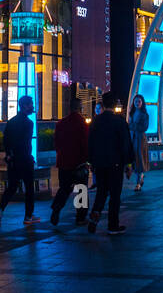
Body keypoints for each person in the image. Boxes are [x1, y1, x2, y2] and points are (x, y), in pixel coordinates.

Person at [87, 91, 134, 234]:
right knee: (115, 195)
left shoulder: (96, 121)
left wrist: (91, 162)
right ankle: (113, 225)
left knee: (101, 192)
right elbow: (125, 144)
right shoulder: (119, 121)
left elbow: (90, 143)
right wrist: (129, 164)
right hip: (115, 164)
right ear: (115, 104)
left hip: (99, 163)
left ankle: (95, 215)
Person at [0, 96, 40, 229]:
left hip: (12, 160)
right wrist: (29, 157)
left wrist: (9, 155)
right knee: (29, 187)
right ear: (24, 106)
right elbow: (26, 142)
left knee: (12, 187)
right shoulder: (28, 123)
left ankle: (0, 209)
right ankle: (28, 216)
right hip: (24, 159)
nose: (32, 107)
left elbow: (6, 141)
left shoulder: (11, 122)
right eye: (31, 104)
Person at [50, 95, 89, 226]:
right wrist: (87, 160)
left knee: (64, 188)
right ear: (80, 107)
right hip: (78, 163)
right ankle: (80, 217)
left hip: (63, 162)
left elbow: (56, 143)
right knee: (81, 190)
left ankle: (56, 208)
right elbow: (85, 144)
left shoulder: (61, 123)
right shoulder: (82, 123)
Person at [128, 95, 150, 192]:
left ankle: (138, 182)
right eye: (136, 101)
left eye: (139, 101)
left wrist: (132, 126)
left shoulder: (144, 115)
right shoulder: (132, 113)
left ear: (142, 102)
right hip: (133, 139)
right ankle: (140, 177)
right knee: (134, 158)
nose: (137, 103)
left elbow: (144, 127)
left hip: (140, 139)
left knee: (139, 158)